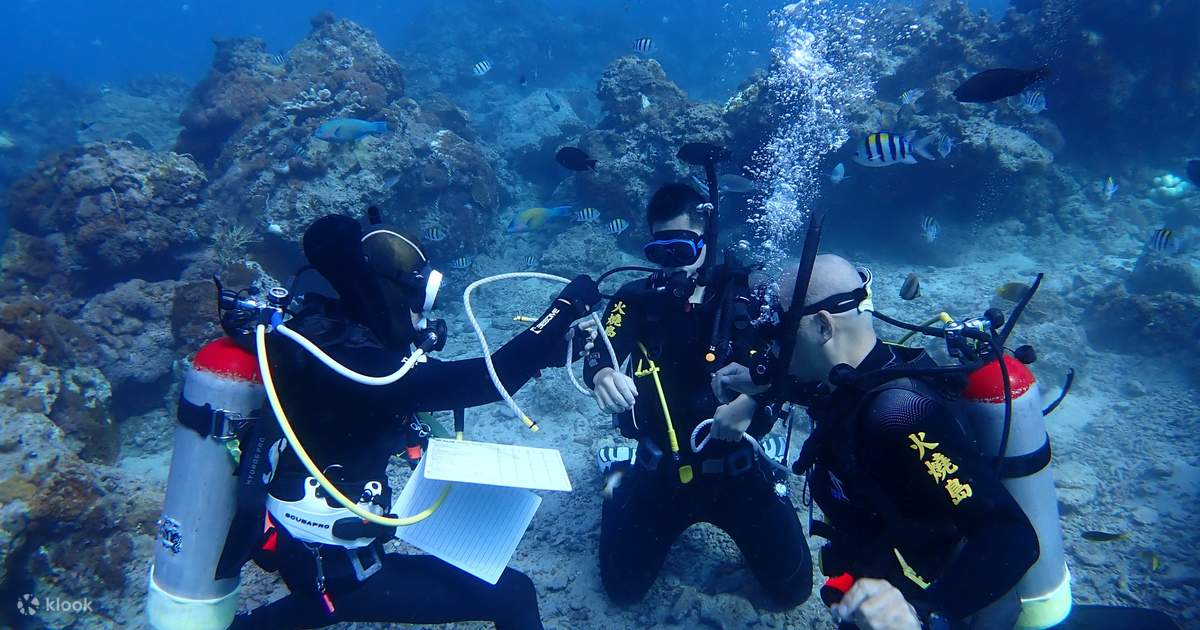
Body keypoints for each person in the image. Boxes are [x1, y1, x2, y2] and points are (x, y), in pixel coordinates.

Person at [229, 212, 600, 629]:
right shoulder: (357, 360)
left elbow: (423, 387)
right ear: (385, 296)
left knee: (306, 609)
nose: (422, 319)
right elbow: (481, 381)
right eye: (416, 304)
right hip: (338, 570)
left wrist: (545, 358)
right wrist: (562, 311)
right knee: (514, 596)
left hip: (317, 553)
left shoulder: (330, 339)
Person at [739, 253, 1040, 630]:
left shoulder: (899, 414)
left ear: (822, 326)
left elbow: (1012, 535)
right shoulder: (855, 378)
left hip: (948, 612)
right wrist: (754, 392)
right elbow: (826, 401)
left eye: (779, 332)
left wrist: (923, 610)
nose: (772, 349)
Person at [583, 183, 813, 608]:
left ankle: (771, 463)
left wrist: (754, 402)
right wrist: (601, 375)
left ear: (708, 238)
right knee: (622, 589)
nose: (672, 266)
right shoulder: (633, 298)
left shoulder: (754, 293)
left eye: (682, 250)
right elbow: (601, 351)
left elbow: (796, 368)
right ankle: (617, 483)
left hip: (739, 469)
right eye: (660, 251)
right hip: (661, 469)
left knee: (793, 588)